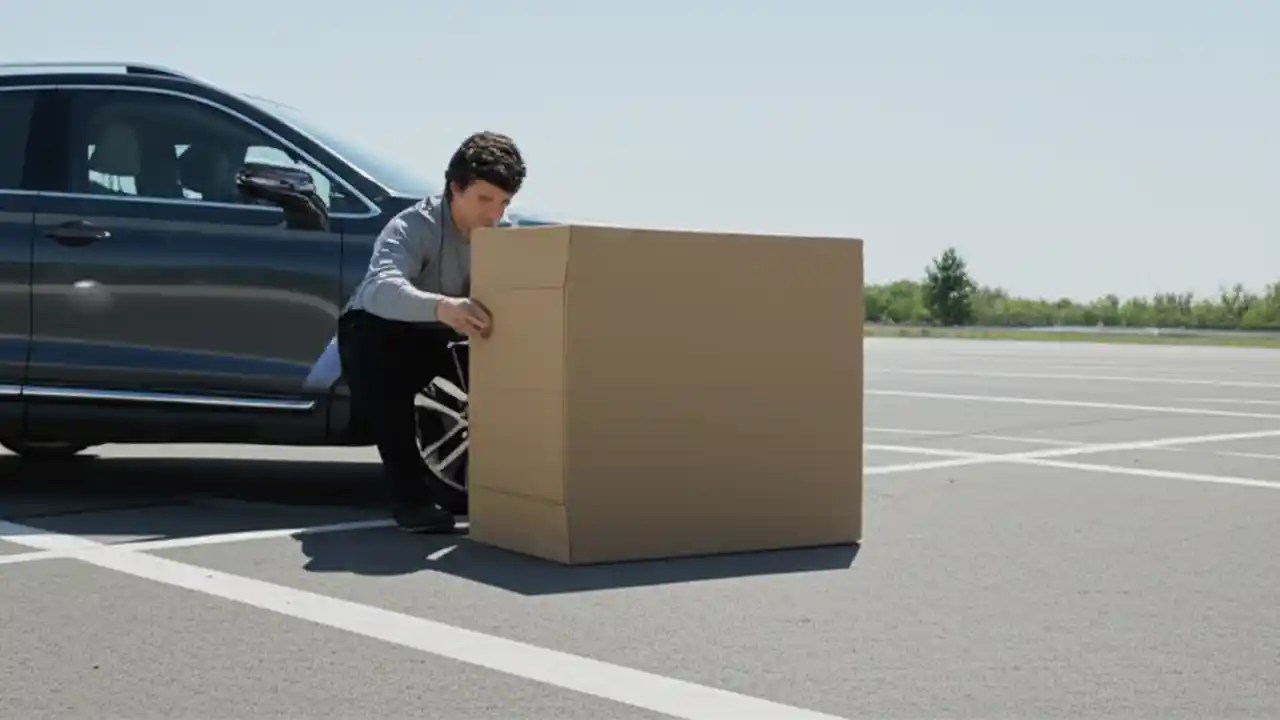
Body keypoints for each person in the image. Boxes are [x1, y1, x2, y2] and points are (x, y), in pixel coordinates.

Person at [336, 131, 527, 532]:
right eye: (484, 200)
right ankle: (410, 501)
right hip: (379, 331)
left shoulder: (505, 236)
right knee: (382, 361)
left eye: (505, 203)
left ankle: (510, 489)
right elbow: (379, 288)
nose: (494, 215)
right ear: (454, 190)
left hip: (443, 334)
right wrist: (442, 306)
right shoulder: (413, 226)